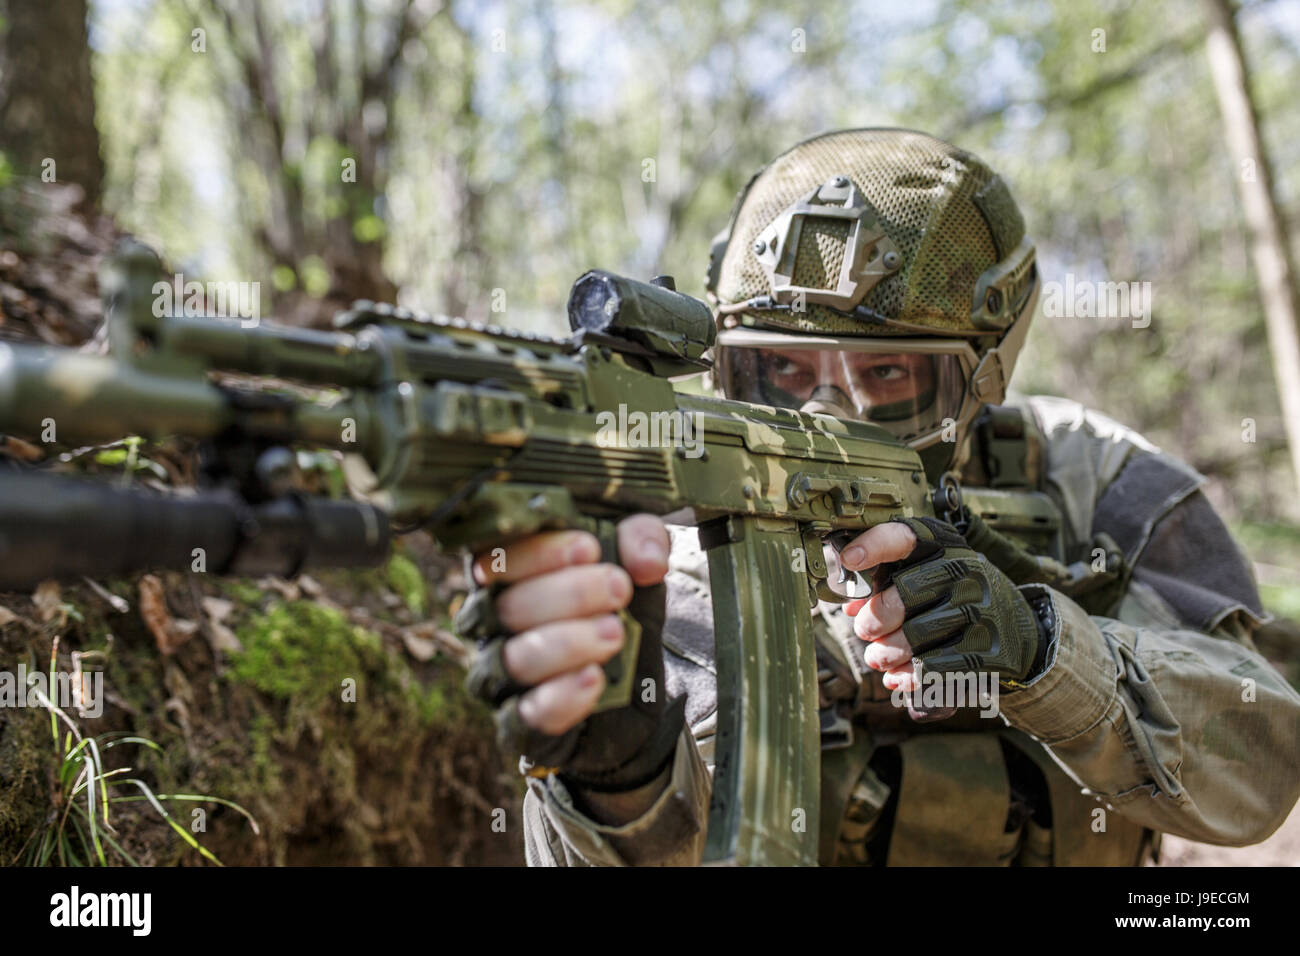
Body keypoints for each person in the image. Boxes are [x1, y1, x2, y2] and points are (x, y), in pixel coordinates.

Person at [463, 128, 1300, 866]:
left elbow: (1264, 763)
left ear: (986, 376)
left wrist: (1044, 649)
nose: (825, 413)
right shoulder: (671, 523)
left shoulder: (1099, 481)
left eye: (890, 375)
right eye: (780, 371)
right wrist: (618, 776)